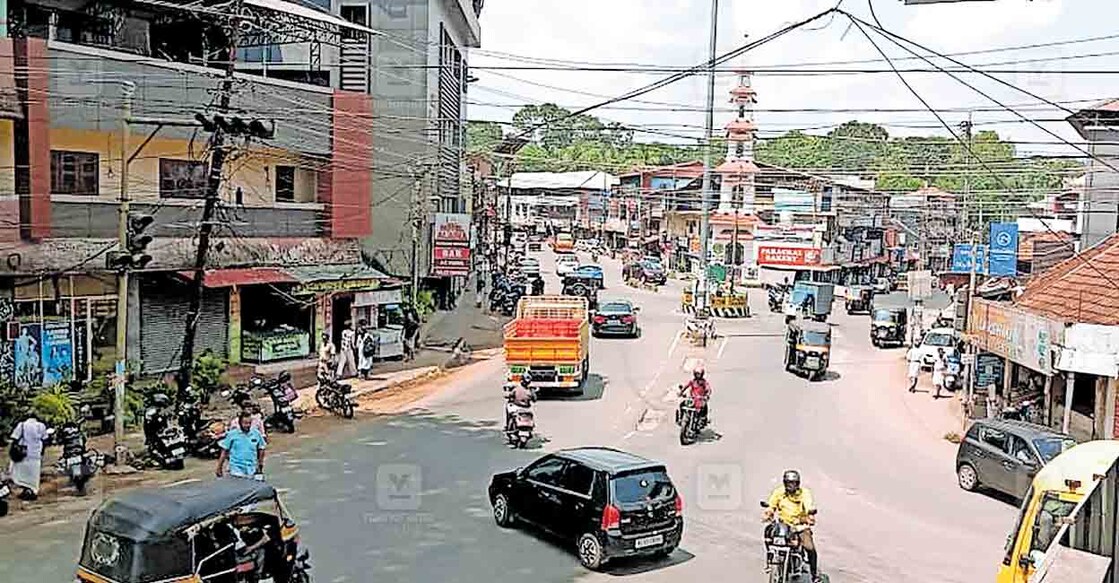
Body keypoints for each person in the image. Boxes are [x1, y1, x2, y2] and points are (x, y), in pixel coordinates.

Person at [764, 470, 821, 582]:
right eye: (788, 483)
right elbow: (771, 505)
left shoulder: (804, 493)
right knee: (768, 533)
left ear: (797, 483)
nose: (790, 486)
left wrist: (810, 515)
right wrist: (768, 512)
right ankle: (770, 560)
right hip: (783, 525)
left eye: (793, 483)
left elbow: (809, 505)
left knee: (810, 548)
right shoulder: (779, 492)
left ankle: (814, 575)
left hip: (799, 526)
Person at [8, 413, 50, 500]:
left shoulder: (22, 425)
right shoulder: (41, 426)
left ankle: (26, 490)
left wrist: (12, 451)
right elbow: (46, 439)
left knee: (21, 473)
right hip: (36, 454)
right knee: (33, 475)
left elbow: (15, 438)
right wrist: (42, 451)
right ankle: (32, 491)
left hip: (23, 454)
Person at [216, 412, 267, 479]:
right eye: (245, 423)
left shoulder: (256, 434)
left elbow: (261, 449)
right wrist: (219, 467)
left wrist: (260, 465)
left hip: (252, 469)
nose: (248, 425)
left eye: (249, 423)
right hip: (236, 469)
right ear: (240, 423)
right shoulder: (232, 434)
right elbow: (224, 452)